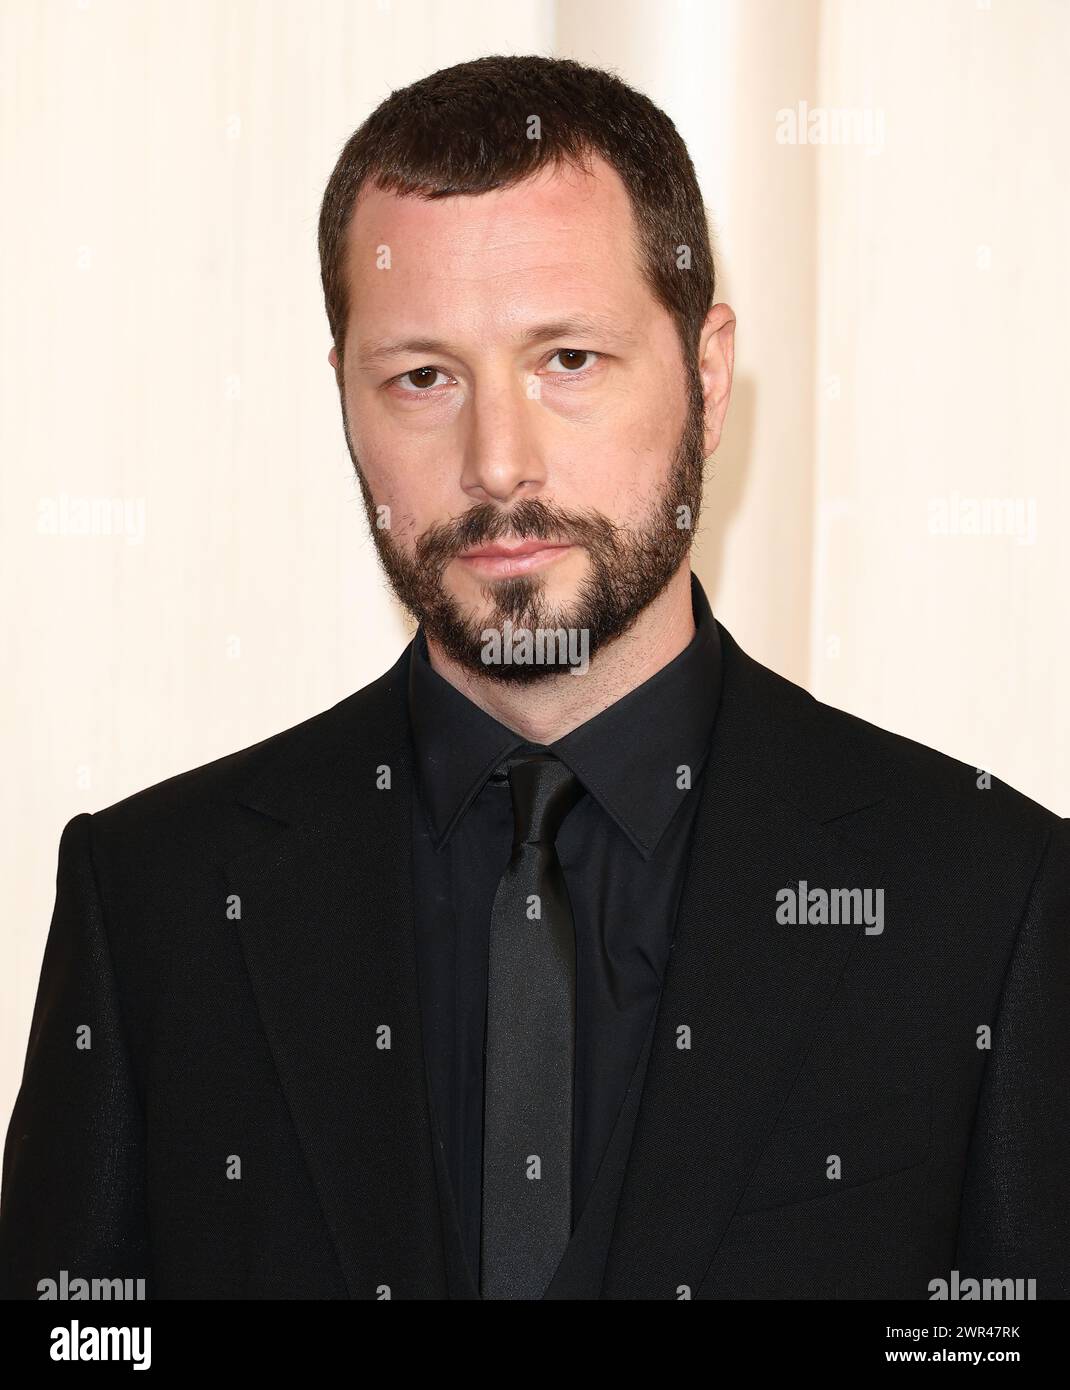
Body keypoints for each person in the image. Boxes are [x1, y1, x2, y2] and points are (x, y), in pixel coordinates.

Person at [2, 54, 1067, 1301]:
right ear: (343, 398)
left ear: (706, 378)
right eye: (422, 377)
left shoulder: (986, 896)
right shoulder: (155, 898)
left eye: (566, 359)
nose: (497, 465)